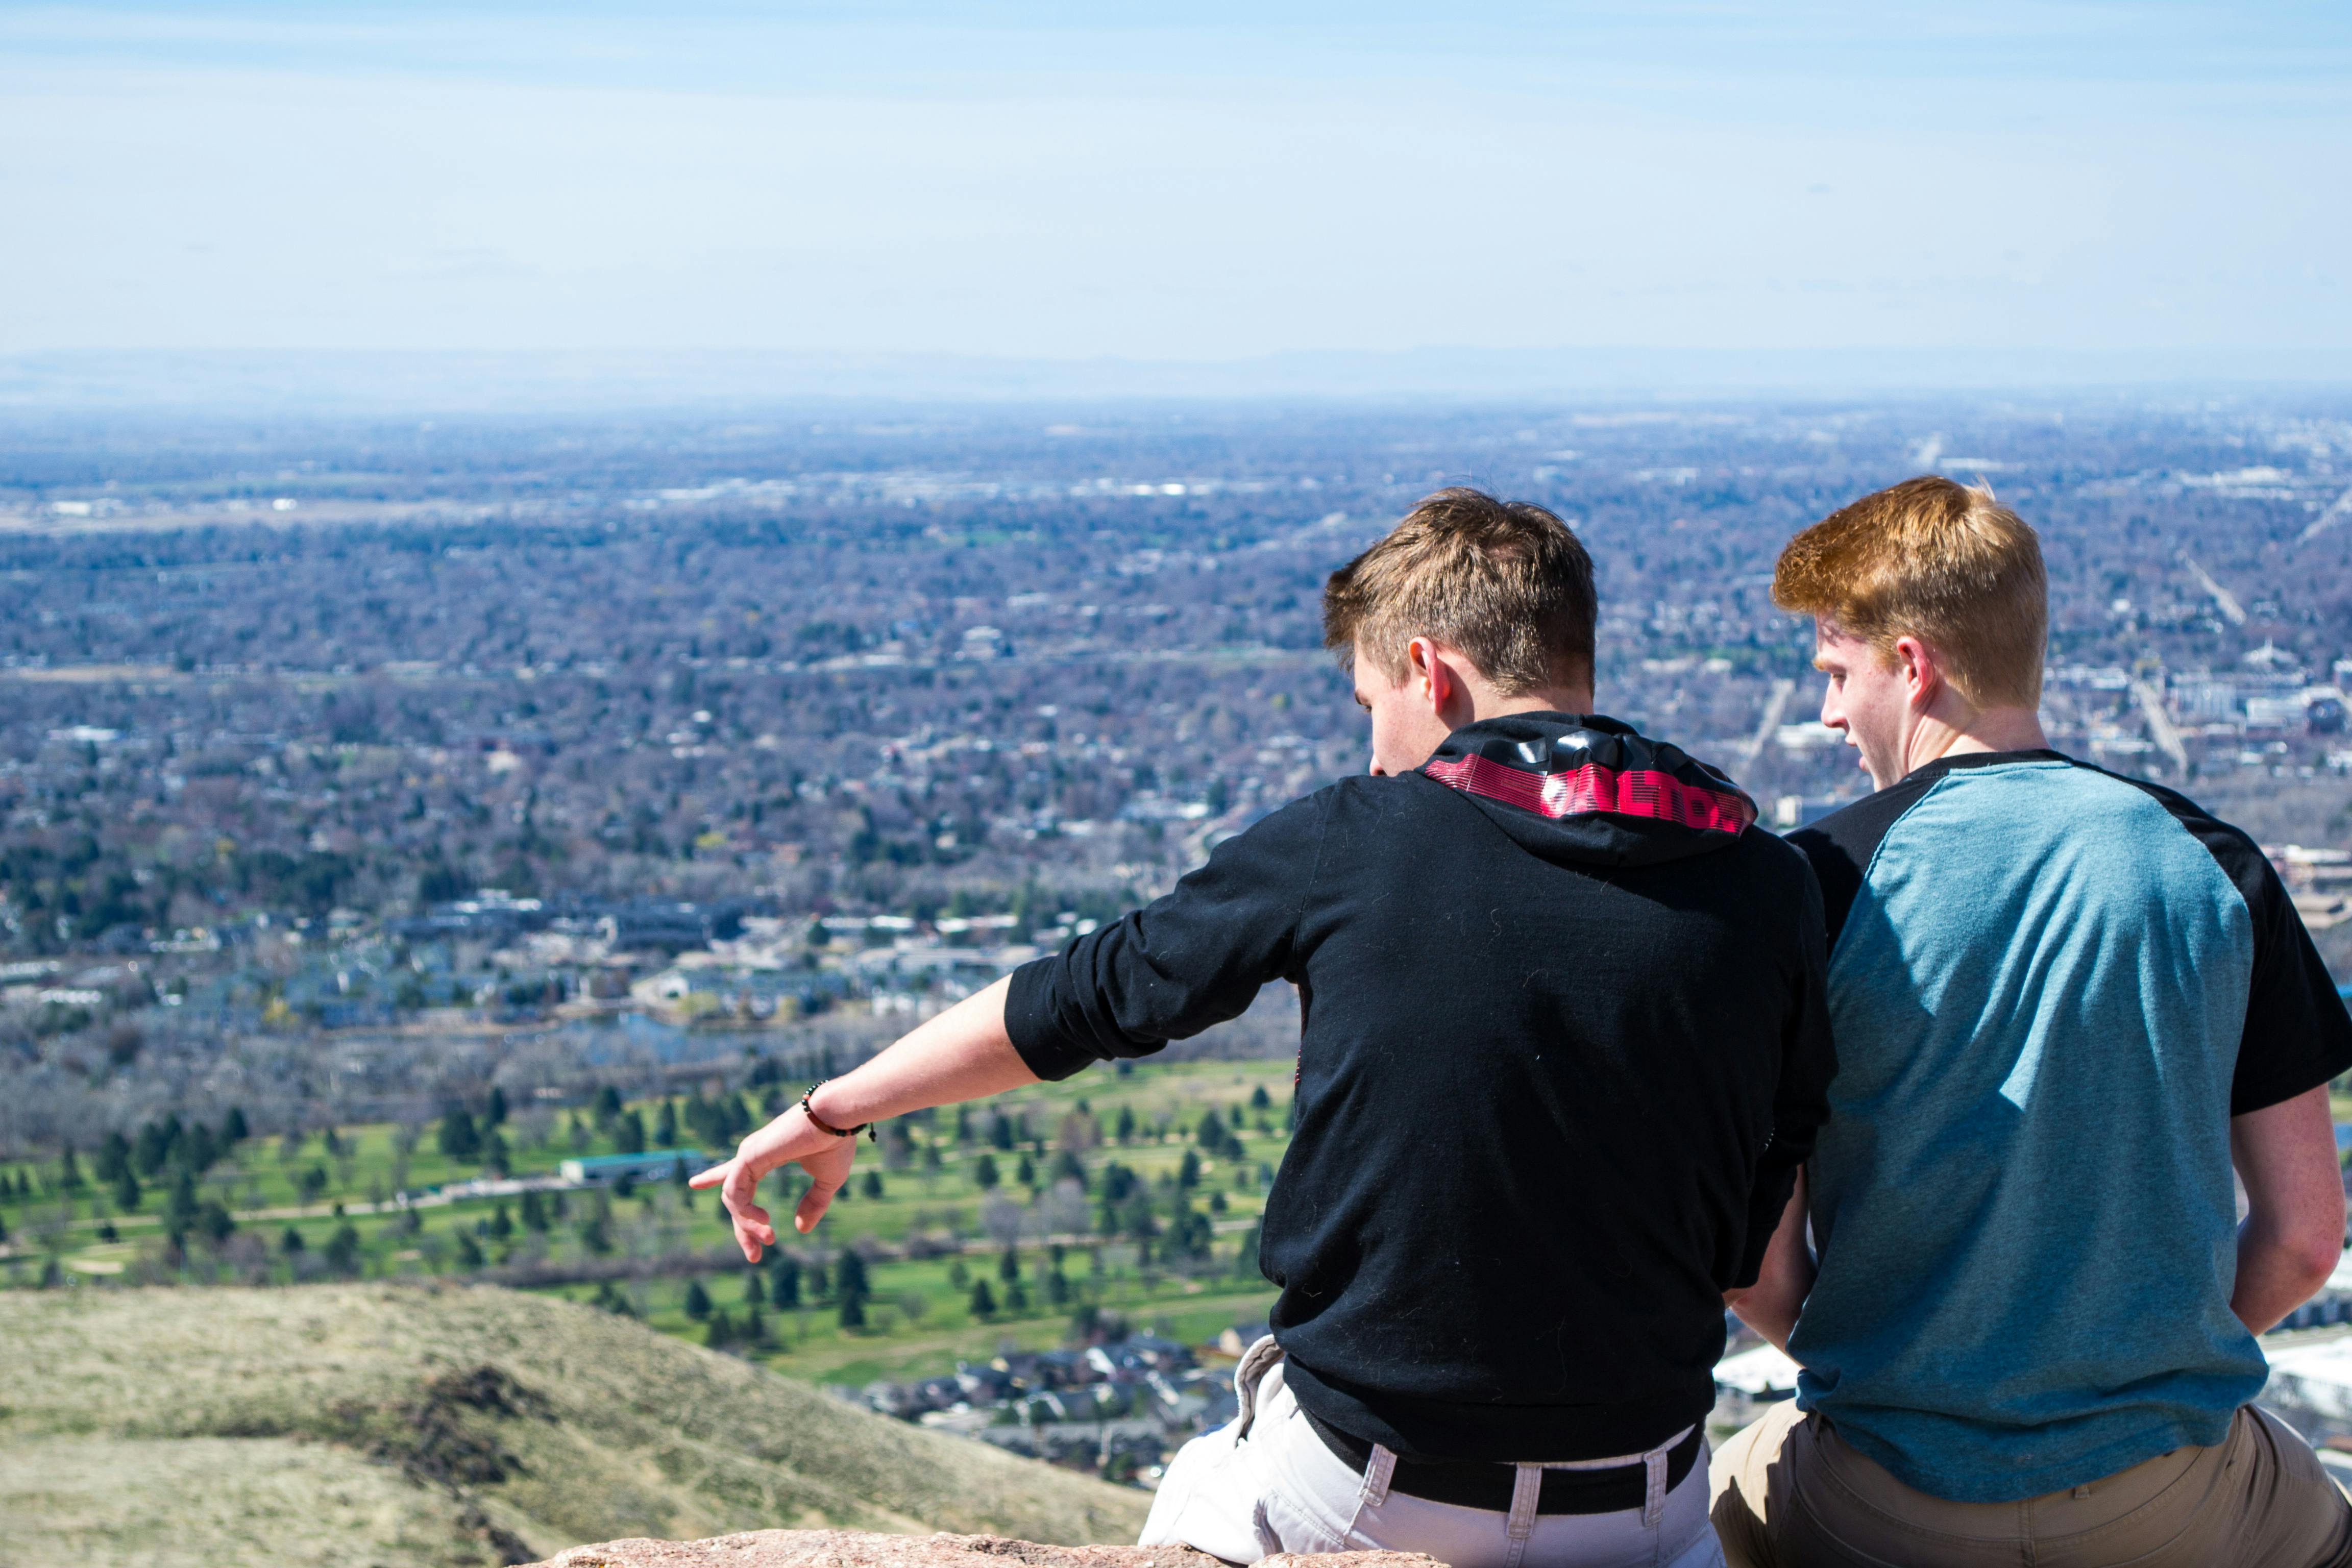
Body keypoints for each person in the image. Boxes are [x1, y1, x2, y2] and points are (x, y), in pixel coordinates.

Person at [694, 487, 1833, 1568]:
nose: (1376, 753)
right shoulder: (1765, 879)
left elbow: (1088, 997)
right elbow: (1750, 1240)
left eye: (1371, 706)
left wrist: (832, 1108)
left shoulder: (1355, 840)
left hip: (1375, 1488)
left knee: (1197, 1482)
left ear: (1429, 674)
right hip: (1645, 1505)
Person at [1711, 476, 2352, 1567]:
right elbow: (2303, 1239)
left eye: (1834, 674)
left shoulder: (1805, 891)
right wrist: (2149, 1376)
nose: (1826, 713)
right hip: (2172, 1500)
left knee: (1693, 1510)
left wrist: (1897, 1376)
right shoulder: (2216, 869)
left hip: (1876, 1495)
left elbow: (1750, 1266)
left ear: (1912, 667)